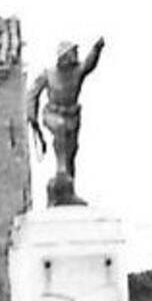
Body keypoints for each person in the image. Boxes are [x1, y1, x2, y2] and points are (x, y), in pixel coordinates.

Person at [26, 37, 104, 205]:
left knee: (72, 151)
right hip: (53, 113)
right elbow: (32, 93)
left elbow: (89, 63)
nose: (76, 56)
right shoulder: (48, 73)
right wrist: (31, 114)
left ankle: (68, 187)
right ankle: (61, 169)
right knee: (60, 130)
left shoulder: (77, 72)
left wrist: (97, 49)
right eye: (73, 53)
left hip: (72, 115)